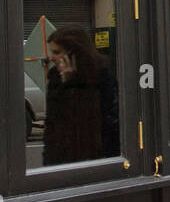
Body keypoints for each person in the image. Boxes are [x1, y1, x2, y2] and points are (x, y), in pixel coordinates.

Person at [44, 24, 120, 165]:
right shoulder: (56, 76)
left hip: (96, 157)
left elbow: (106, 118)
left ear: (74, 53)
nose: (52, 57)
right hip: (62, 157)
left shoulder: (100, 75)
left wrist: (72, 85)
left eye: (57, 52)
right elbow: (53, 121)